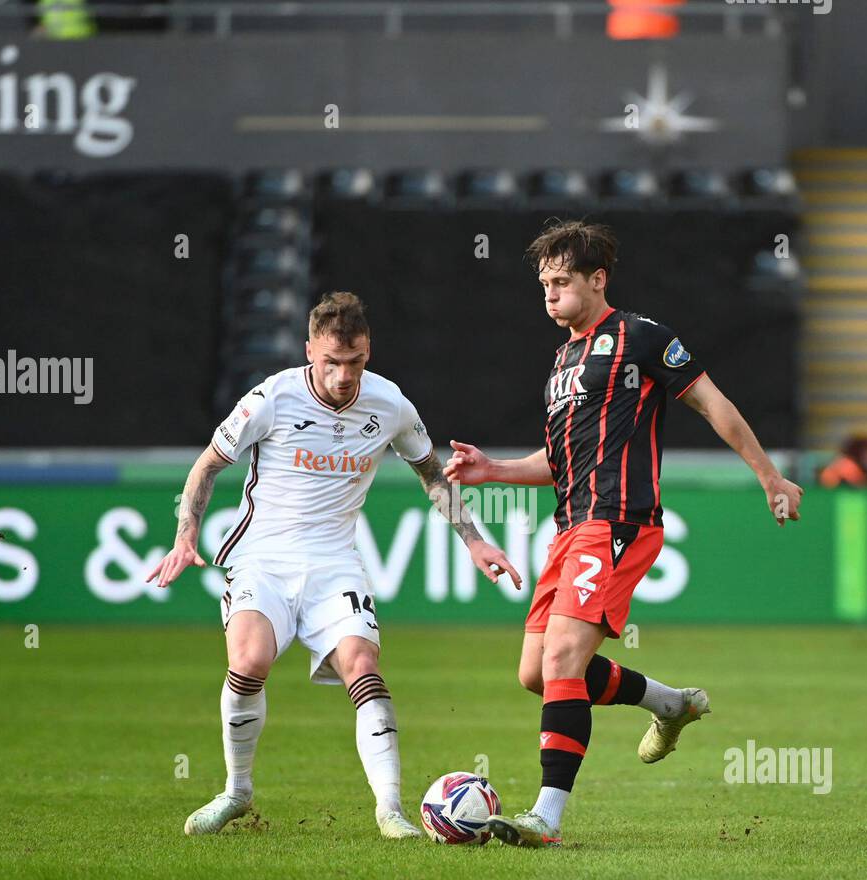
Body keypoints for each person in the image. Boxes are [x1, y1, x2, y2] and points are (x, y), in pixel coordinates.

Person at [444, 220, 803, 848]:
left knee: (561, 657)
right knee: (537, 672)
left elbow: (712, 402)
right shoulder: (562, 361)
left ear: (598, 279)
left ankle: (546, 817)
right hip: (570, 527)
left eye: (561, 282)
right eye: (544, 284)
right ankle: (669, 703)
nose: (550, 295)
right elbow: (559, 461)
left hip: (618, 523)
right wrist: (491, 469)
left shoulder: (642, 338)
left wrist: (770, 476)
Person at [147, 292, 519, 840]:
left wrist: (474, 541)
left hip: (335, 563)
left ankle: (389, 809)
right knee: (249, 662)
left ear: (368, 354)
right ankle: (236, 792)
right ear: (309, 352)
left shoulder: (391, 404)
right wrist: (185, 538)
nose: (345, 376)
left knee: (363, 668)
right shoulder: (271, 399)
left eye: (356, 361)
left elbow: (432, 475)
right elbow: (206, 466)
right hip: (263, 558)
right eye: (332, 362)